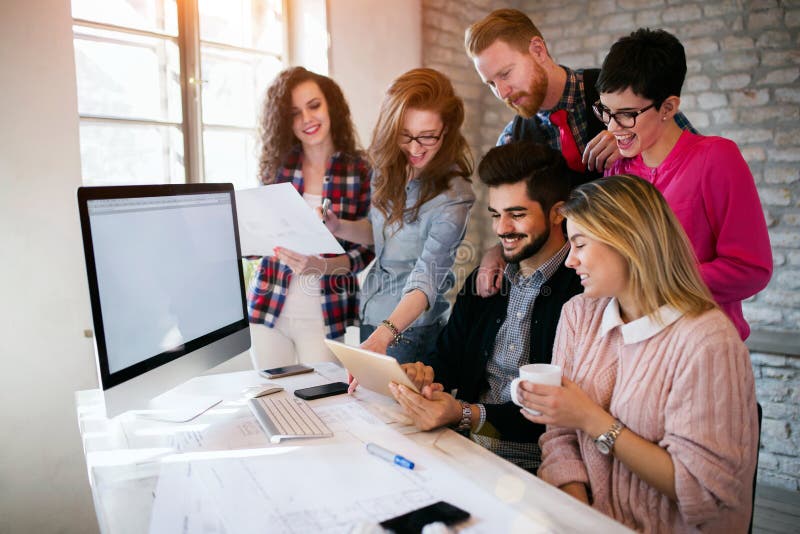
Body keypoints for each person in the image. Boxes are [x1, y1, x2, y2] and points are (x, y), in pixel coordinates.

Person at [515, 175, 758, 532]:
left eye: (580, 244)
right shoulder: (578, 314)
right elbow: (559, 438)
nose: (570, 261)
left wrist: (591, 419)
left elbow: (702, 492)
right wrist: (582, 519)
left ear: (627, 241)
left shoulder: (707, 340)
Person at [464, 9, 697, 297]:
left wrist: (632, 136)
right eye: (491, 83)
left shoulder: (620, 91)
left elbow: (692, 158)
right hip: (569, 289)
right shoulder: (512, 140)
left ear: (538, 50)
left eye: (505, 74)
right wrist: (497, 250)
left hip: (647, 275)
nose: (502, 92)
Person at [387, 142, 582, 472]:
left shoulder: (581, 293)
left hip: (534, 465)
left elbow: (556, 415)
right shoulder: (486, 280)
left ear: (557, 212)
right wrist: (425, 375)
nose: (501, 229)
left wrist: (465, 414)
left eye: (517, 215)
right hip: (465, 447)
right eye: (495, 215)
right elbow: (447, 357)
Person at [598, 28, 772, 340]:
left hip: (703, 345)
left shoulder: (716, 158)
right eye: (606, 112)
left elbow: (751, 269)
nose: (612, 127)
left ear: (668, 108)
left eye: (626, 115)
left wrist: (656, 281)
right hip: (634, 345)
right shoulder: (617, 170)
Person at [323, 68, 475, 364]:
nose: (415, 148)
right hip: (372, 312)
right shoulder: (388, 168)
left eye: (428, 137)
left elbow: (427, 278)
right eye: (405, 136)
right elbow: (380, 233)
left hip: (409, 331)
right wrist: (337, 226)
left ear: (446, 130)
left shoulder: (453, 198)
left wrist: (384, 335)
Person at [247, 67, 373, 366]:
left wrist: (323, 266)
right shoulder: (276, 167)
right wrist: (247, 239)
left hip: (325, 316)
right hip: (267, 310)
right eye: (294, 113)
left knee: (321, 396)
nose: (306, 119)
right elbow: (258, 241)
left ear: (331, 106)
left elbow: (368, 248)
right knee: (270, 393)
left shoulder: (360, 170)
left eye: (314, 106)